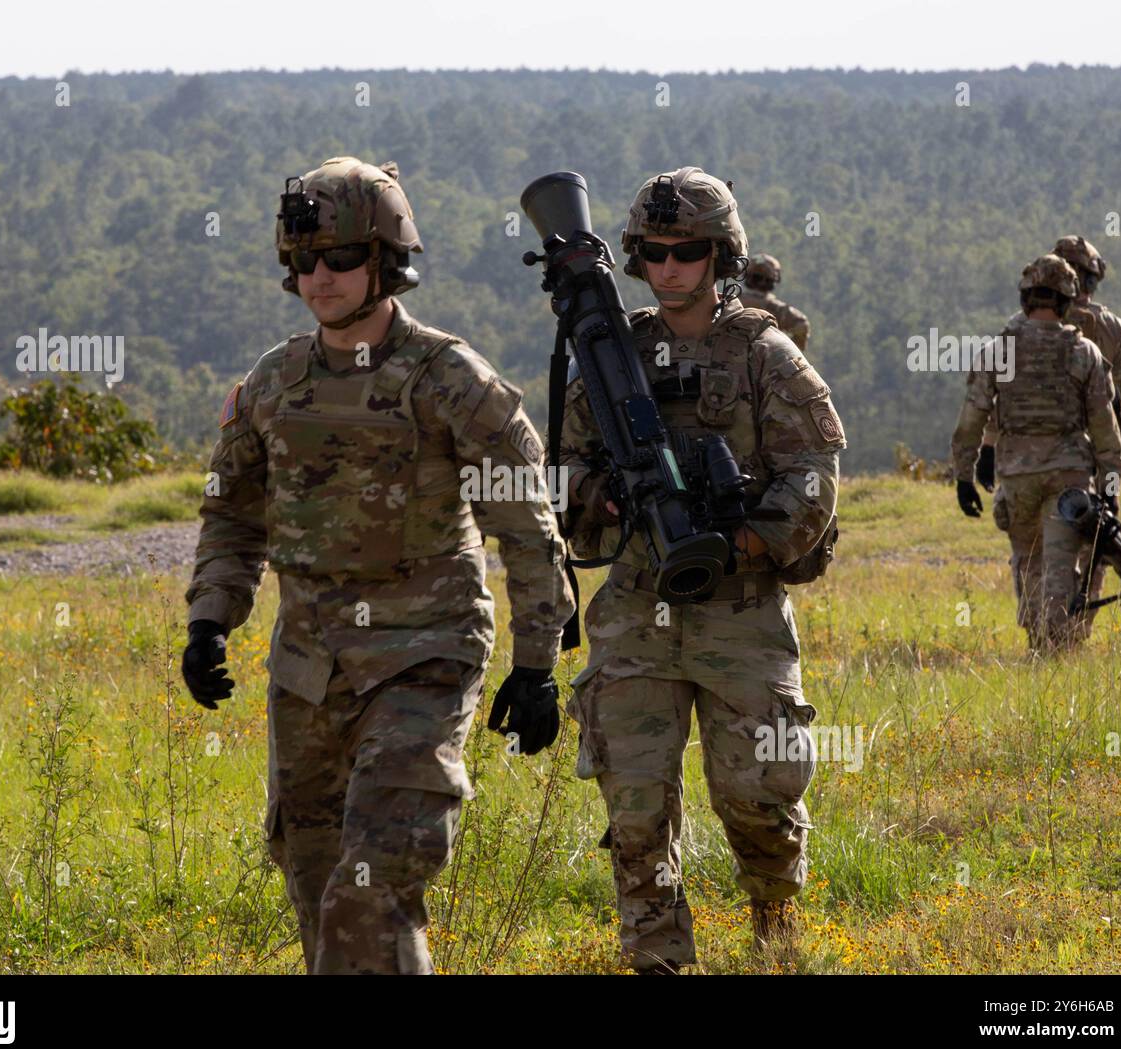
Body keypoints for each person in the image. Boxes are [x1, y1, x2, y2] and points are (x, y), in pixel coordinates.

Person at [182, 156, 574, 974]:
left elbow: (526, 523)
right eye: (306, 261)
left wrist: (538, 661)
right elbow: (232, 512)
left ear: (386, 262)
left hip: (423, 661)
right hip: (307, 672)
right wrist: (210, 620)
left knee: (370, 891)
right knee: (321, 893)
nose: (321, 278)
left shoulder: (449, 379)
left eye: (342, 259)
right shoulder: (274, 382)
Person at [560, 166, 844, 972]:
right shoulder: (617, 356)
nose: (670, 266)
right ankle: (657, 956)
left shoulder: (764, 354)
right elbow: (563, 463)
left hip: (740, 609)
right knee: (637, 806)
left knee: (757, 796)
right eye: (653, 251)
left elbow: (816, 473)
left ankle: (772, 922)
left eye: (687, 249)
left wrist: (746, 541)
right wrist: (606, 495)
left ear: (720, 254)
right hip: (639, 606)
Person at [951, 254, 1121, 651]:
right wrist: (1110, 486)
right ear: (1066, 302)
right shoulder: (1085, 353)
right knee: (1061, 563)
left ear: (1026, 298)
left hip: (1017, 476)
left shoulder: (999, 351)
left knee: (1027, 560)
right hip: (1070, 476)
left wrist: (964, 476)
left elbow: (971, 420)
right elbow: (1104, 430)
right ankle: (1054, 650)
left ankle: (1041, 643)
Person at [738, 253, 811, 352]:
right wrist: (786, 351)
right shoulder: (777, 310)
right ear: (773, 280)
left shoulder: (730, 302)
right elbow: (802, 326)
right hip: (766, 363)